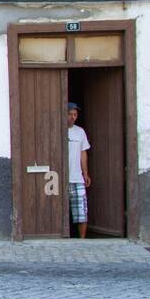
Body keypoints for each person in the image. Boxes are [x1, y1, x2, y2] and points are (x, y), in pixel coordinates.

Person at [67, 102, 91, 238]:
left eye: (75, 115)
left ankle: (82, 240)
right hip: (60, 178)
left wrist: (85, 173)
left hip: (77, 178)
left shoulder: (80, 131)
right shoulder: (58, 129)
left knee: (82, 210)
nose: (73, 117)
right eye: (70, 114)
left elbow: (83, 153)